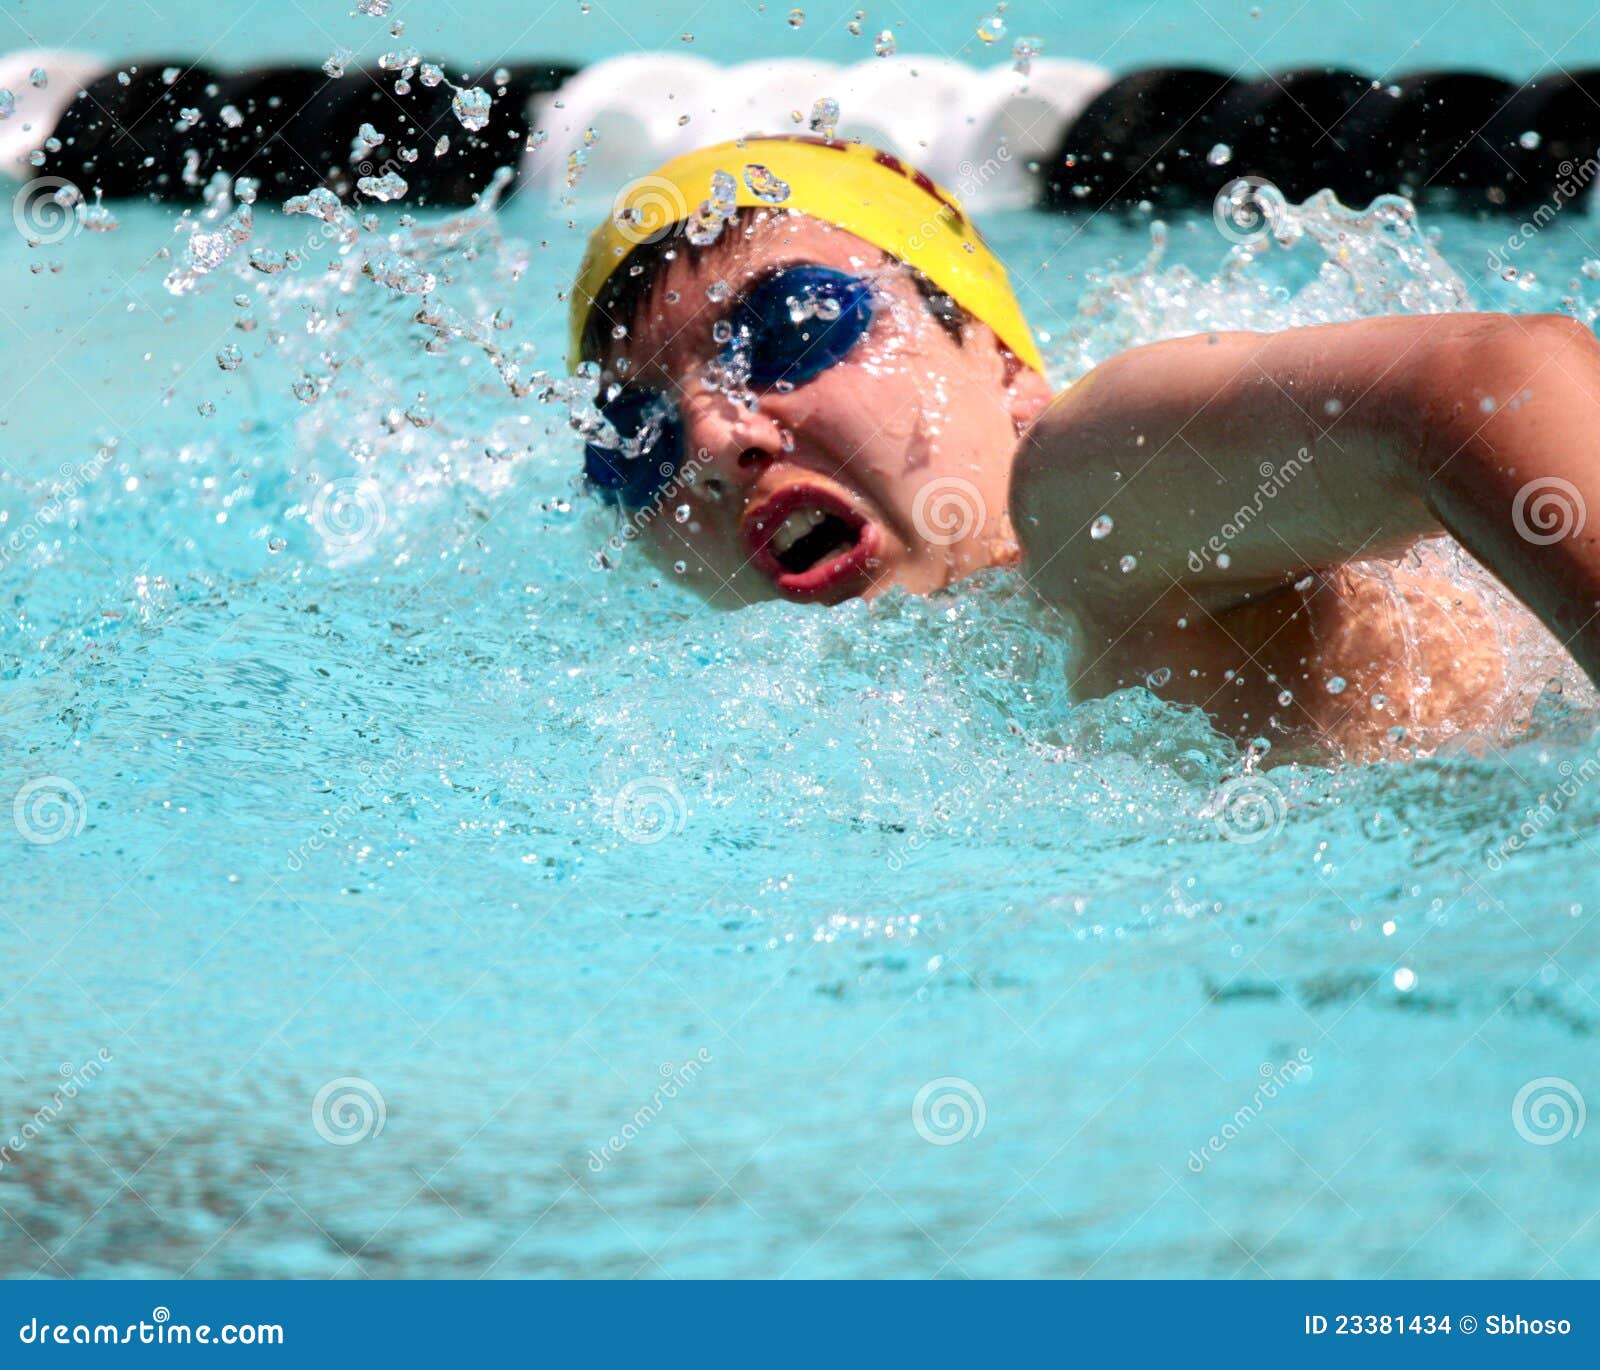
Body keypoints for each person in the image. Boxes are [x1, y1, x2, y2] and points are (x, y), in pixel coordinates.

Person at [570, 136, 1600, 757]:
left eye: (793, 329)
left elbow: (1474, 382)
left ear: (1006, 366)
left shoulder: (1080, 505)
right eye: (635, 436)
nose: (710, 438)